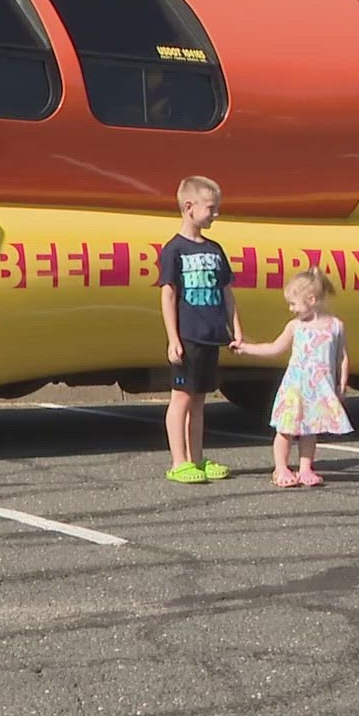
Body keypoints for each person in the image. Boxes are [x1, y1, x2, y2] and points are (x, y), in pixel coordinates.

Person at [156, 175, 243, 484]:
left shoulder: (215, 249)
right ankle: (178, 461)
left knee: (199, 400)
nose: (216, 213)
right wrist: (173, 339)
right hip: (188, 337)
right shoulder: (174, 250)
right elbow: (168, 294)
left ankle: (197, 457)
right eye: (211, 208)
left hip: (210, 336)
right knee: (181, 397)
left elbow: (227, 292)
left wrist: (236, 328)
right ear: (189, 207)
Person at [231, 268, 350, 487]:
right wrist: (247, 349)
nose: (291, 308)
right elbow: (275, 348)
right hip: (295, 389)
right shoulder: (295, 327)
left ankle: (305, 468)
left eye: (294, 303)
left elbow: (341, 357)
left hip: (319, 388)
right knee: (285, 429)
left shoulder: (335, 326)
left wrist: (342, 383)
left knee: (310, 431)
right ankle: (281, 468)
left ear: (311, 300)